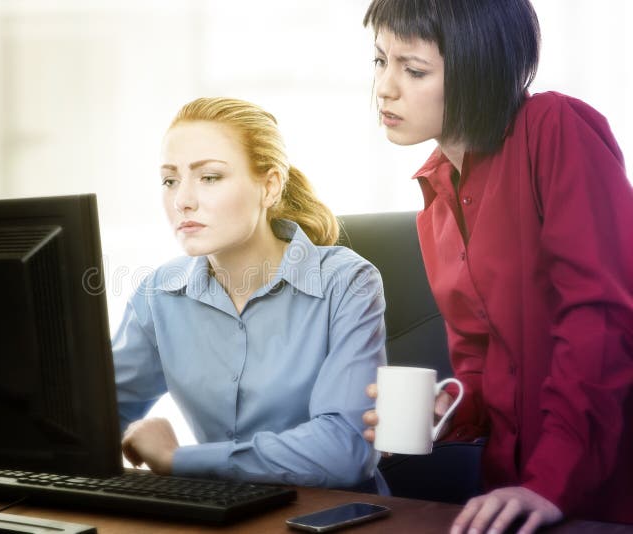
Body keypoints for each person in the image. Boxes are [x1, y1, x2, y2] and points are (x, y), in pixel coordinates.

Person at [359, 0, 633, 532]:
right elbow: (484, 364)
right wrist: (451, 411)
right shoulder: (436, 197)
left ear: (477, 69)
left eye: (413, 69)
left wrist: (550, 482)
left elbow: (601, 321)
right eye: (379, 61)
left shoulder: (554, 128)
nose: (385, 88)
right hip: (509, 493)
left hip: (597, 491)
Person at [112, 97, 388, 491]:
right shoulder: (159, 294)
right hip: (224, 516)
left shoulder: (346, 282)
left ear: (270, 186)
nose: (182, 199)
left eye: (209, 177)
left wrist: (180, 459)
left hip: (332, 517)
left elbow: (346, 450)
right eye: (170, 180)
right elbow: (91, 416)